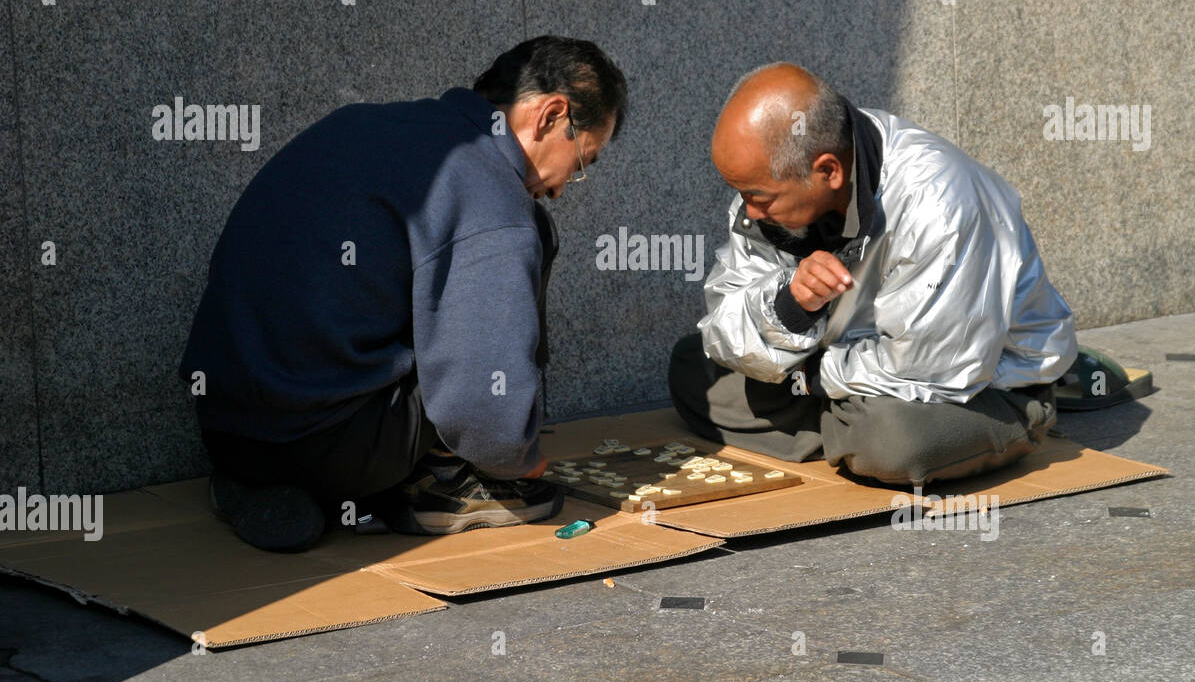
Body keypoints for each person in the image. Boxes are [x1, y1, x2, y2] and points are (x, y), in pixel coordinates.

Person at [180, 36, 627, 551]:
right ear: (550, 115)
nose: (561, 188)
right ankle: (446, 483)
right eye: (582, 161)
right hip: (331, 443)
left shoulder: (363, 124)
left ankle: (263, 486)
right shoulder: (490, 193)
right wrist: (515, 456)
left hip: (224, 427)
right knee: (534, 233)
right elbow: (480, 401)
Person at [669, 63, 1077, 491]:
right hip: (837, 372)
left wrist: (809, 377)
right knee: (693, 370)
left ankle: (1016, 423)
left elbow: (930, 370)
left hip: (974, 384)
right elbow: (726, 319)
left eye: (758, 197)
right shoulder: (771, 187)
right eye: (741, 192)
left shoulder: (941, 206)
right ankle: (846, 436)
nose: (748, 210)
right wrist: (790, 306)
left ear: (829, 171)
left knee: (891, 440)